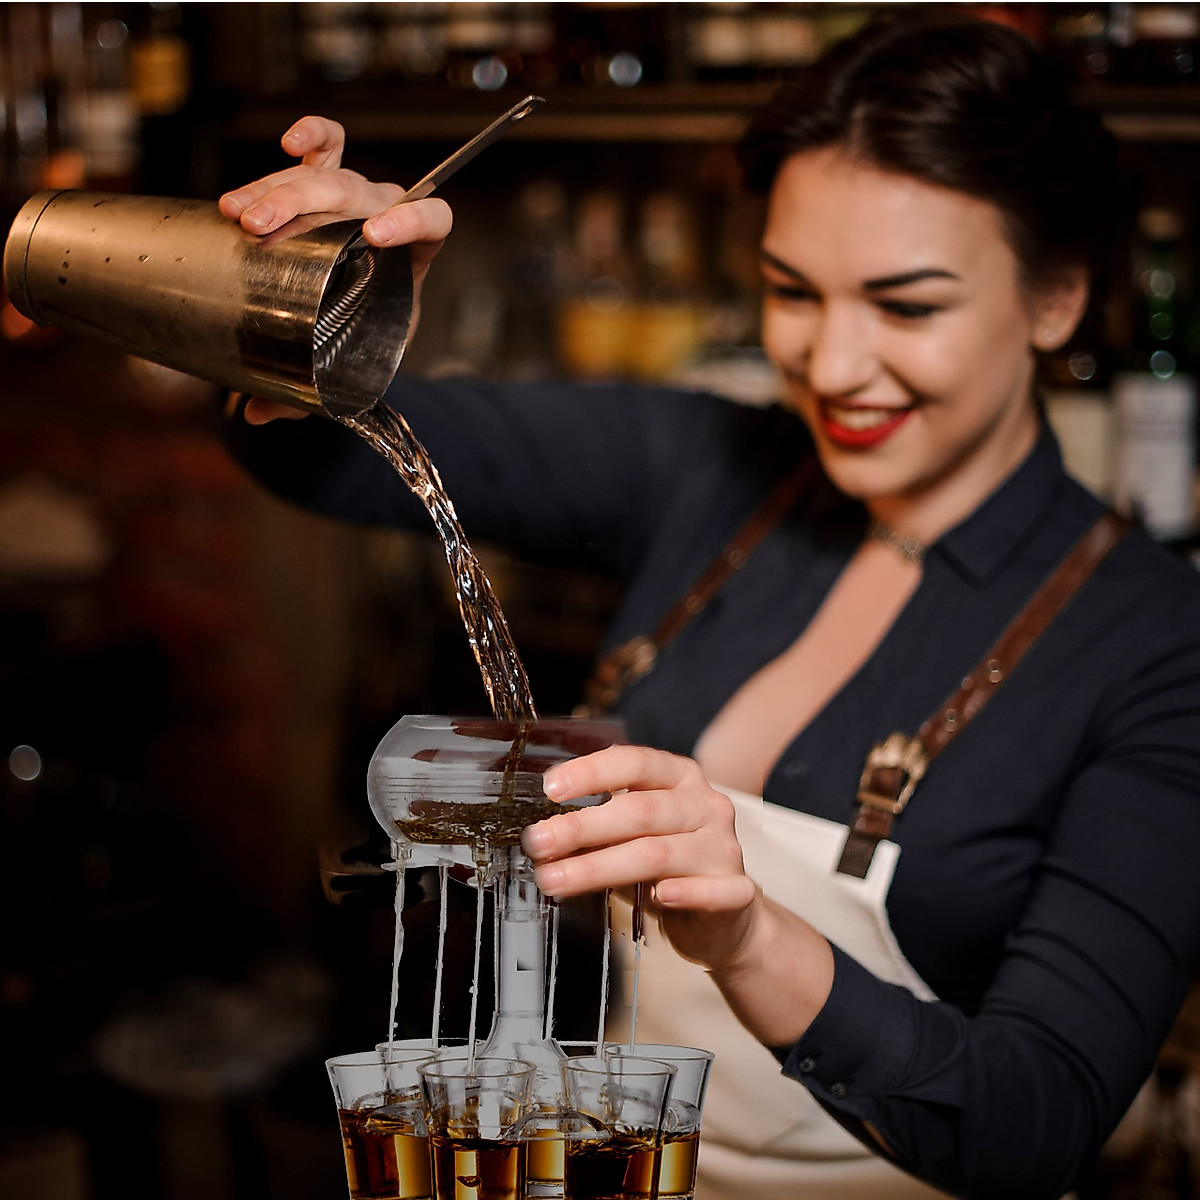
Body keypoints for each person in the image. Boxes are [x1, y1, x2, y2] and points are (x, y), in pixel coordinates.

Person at [219, 12, 1200, 1200]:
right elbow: (316, 461)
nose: (834, 365)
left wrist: (749, 934)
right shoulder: (713, 466)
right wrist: (335, 309)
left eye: (907, 307)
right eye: (794, 291)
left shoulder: (1157, 647)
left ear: (1055, 302)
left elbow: (1033, 1121)